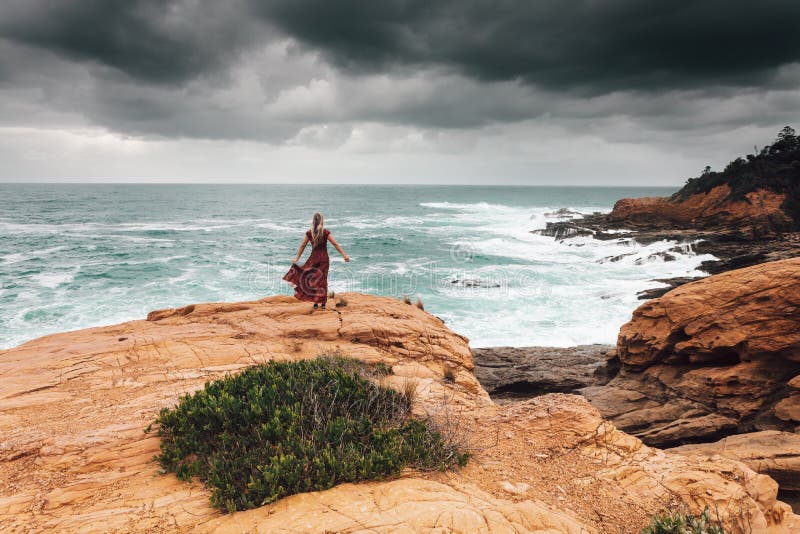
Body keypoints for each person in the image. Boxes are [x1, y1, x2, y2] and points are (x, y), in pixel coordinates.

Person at [283, 212, 349, 309]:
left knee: (311, 279)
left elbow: (302, 246)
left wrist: (297, 258)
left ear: (313, 221)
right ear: (322, 221)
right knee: (322, 280)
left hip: (313, 258)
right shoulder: (325, 232)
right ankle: (322, 304)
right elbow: (335, 244)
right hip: (324, 259)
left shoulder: (310, 233)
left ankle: (315, 302)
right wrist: (344, 255)